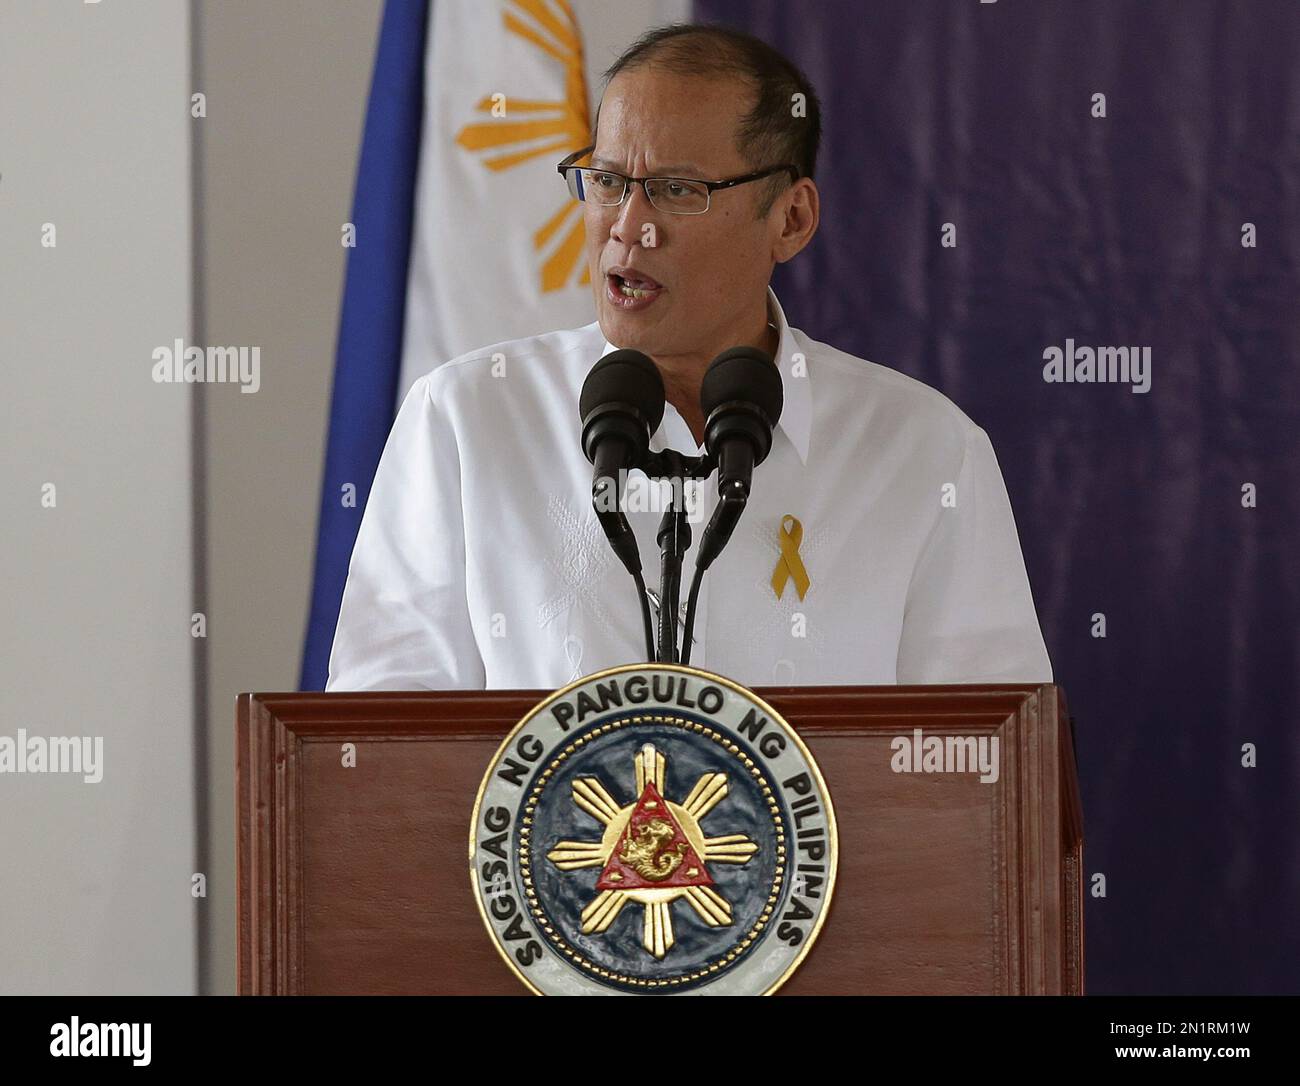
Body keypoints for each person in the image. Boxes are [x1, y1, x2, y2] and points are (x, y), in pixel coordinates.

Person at [326, 24, 1052, 691]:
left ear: (791, 219)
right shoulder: (463, 422)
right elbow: (377, 757)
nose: (630, 228)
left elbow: (986, 771)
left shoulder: (924, 451)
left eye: (679, 190)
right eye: (608, 182)